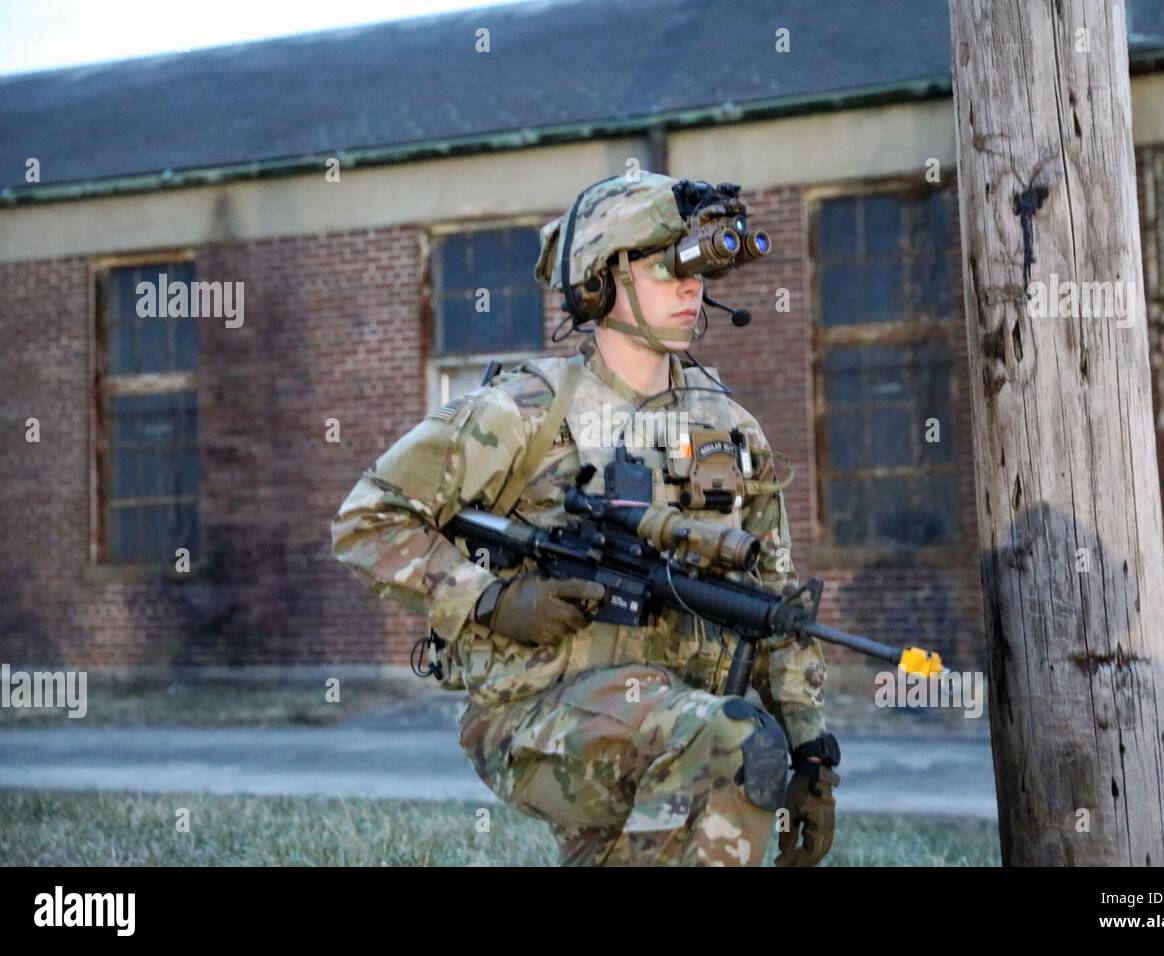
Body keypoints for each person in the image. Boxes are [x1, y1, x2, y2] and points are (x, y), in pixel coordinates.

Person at [331, 170, 839, 866]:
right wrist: (492, 599)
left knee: (705, 769)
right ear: (602, 281)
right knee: (731, 741)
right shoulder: (522, 414)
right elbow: (368, 519)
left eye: (700, 269)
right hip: (537, 715)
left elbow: (773, 601)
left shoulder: (730, 428)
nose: (693, 288)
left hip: (677, 720)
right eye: (669, 268)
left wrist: (809, 749)